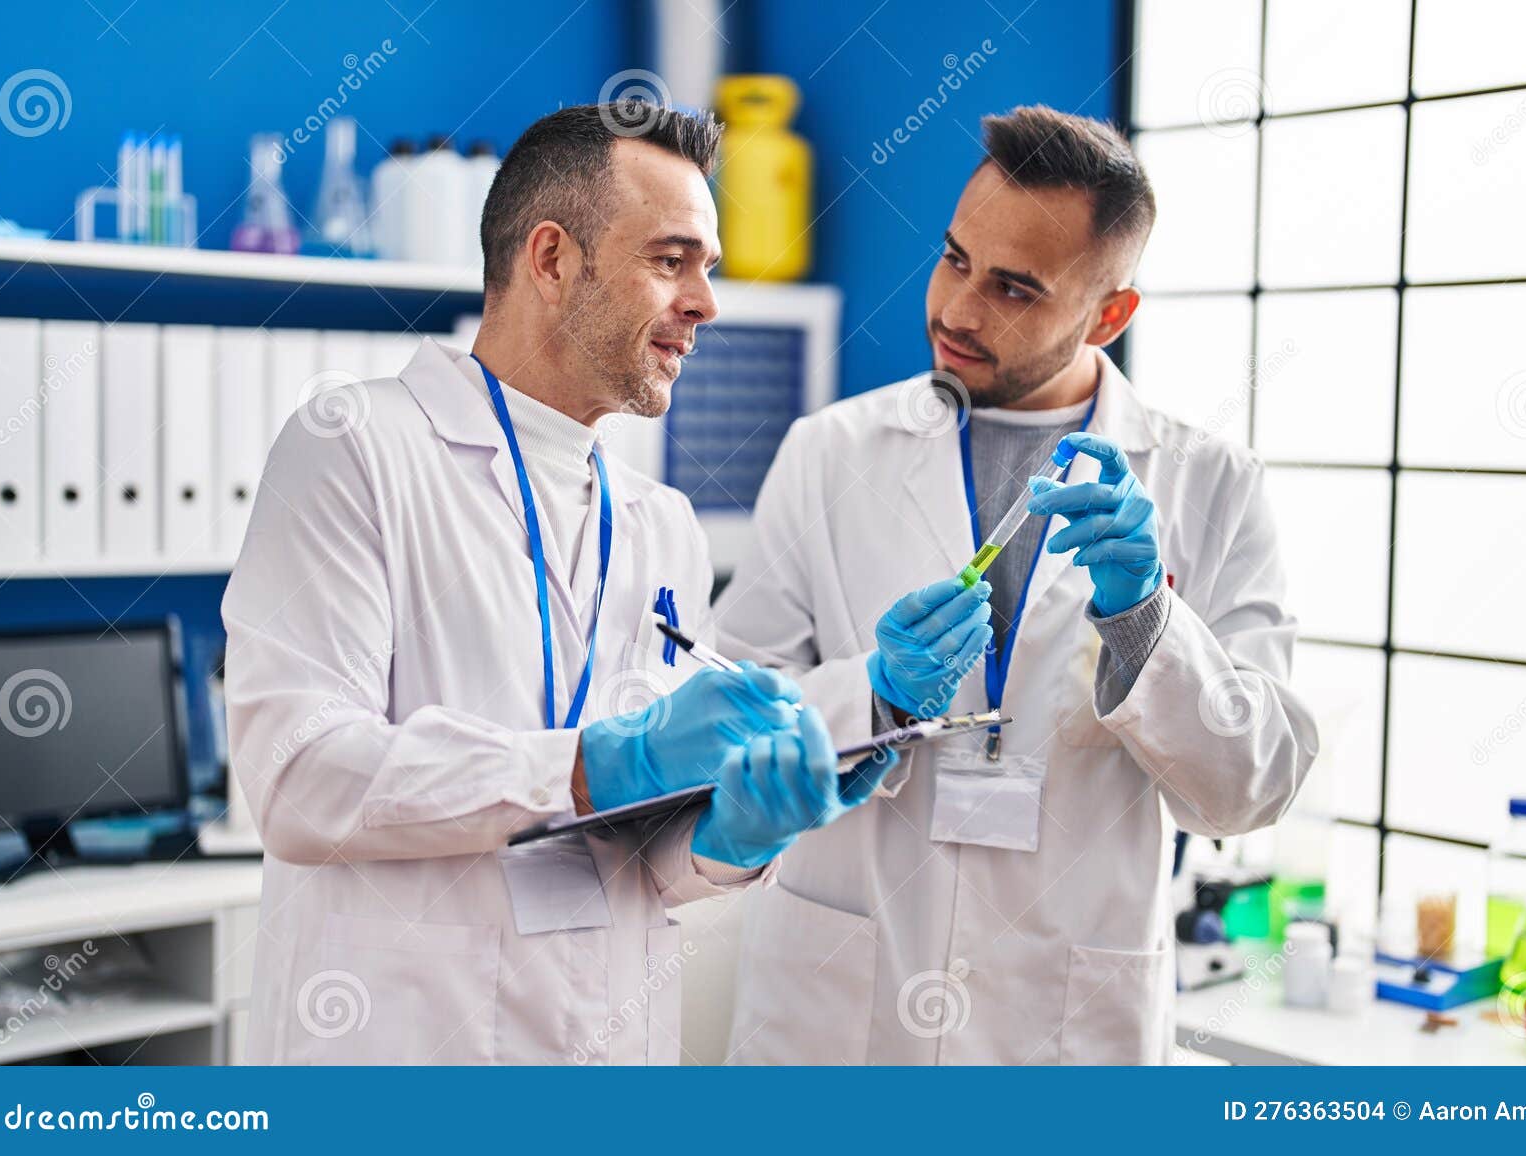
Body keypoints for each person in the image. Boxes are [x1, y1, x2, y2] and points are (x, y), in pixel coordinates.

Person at [222, 102, 884, 1065]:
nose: (707, 302)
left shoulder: (661, 526)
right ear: (550, 258)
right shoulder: (355, 448)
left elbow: (638, 858)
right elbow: (299, 778)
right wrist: (589, 764)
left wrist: (732, 837)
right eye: (672, 260)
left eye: (711, 267)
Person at [718, 105, 1319, 1064]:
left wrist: (1145, 625)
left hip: (1060, 1023)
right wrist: (869, 693)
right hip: (843, 1008)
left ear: (1109, 314)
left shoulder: (1210, 483)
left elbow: (1250, 790)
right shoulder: (828, 454)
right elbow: (729, 725)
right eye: (954, 258)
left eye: (1014, 289)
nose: (958, 310)